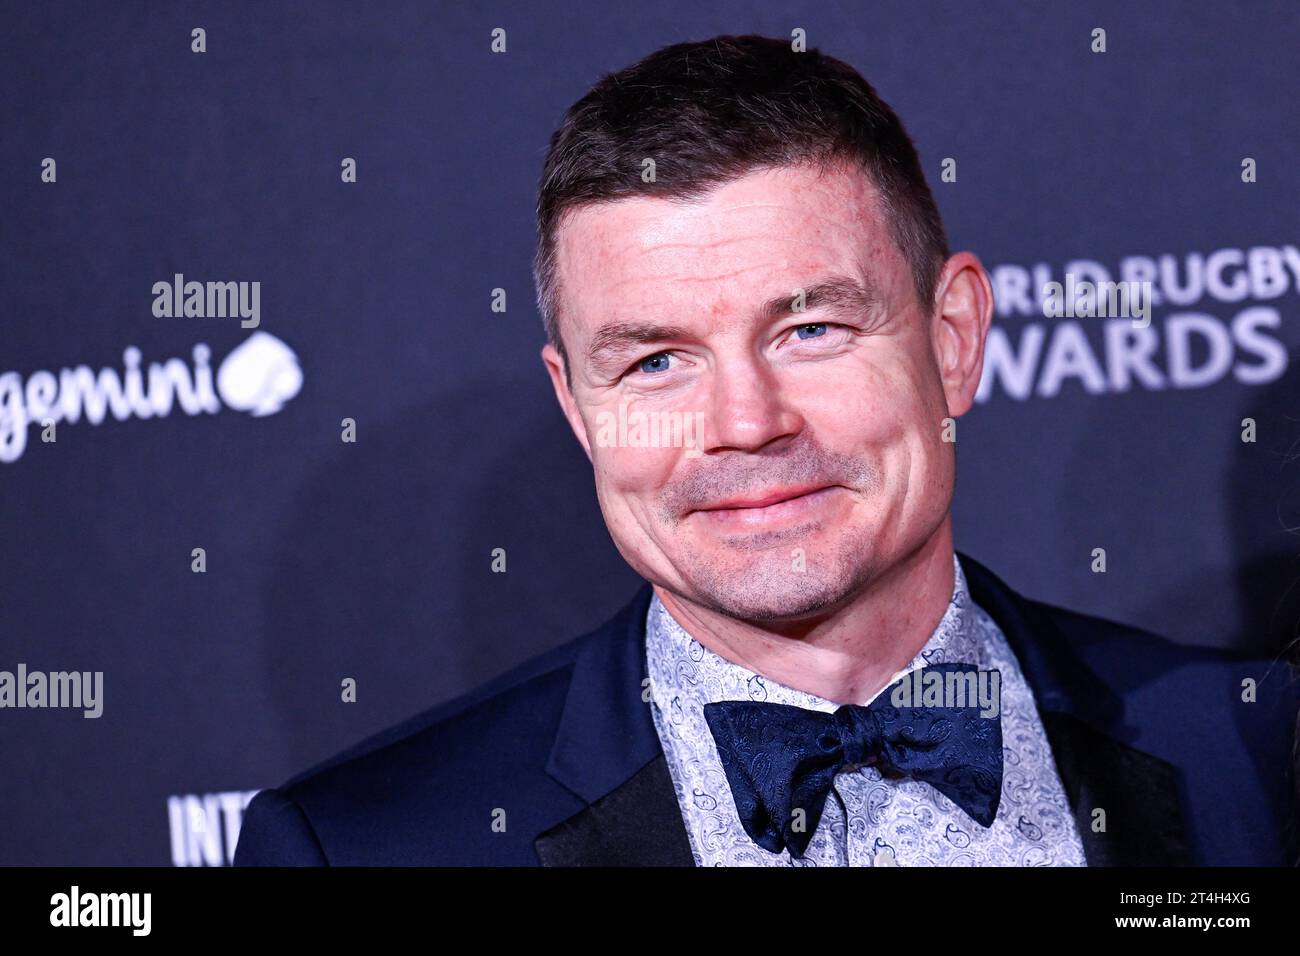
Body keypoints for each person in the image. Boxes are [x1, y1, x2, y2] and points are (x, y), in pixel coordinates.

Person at [234, 34, 1299, 866]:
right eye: (654, 360)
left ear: (954, 340)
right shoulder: (369, 846)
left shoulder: (1258, 755)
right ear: (579, 407)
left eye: (810, 330)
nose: (745, 421)